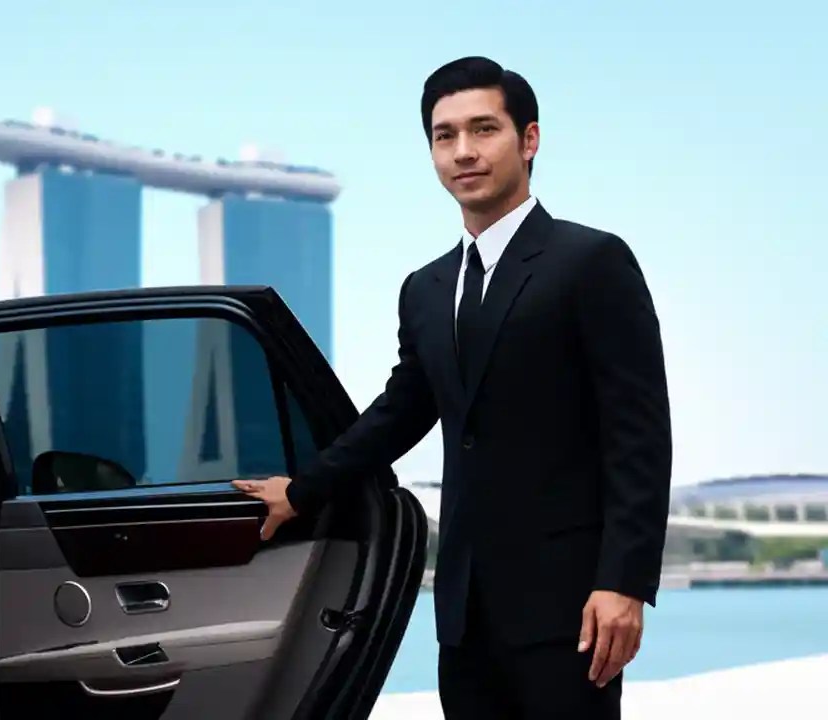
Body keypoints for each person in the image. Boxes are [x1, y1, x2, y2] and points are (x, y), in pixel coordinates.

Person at [233, 56, 672, 718]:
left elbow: (639, 434)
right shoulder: (427, 287)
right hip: (464, 612)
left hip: (570, 608)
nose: (463, 151)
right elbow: (405, 408)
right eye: (444, 136)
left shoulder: (590, 262)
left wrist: (624, 583)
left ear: (529, 139)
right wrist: (303, 490)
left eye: (483, 129)